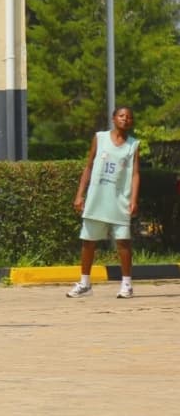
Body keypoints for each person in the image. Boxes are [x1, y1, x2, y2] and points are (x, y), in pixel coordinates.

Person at [66, 106, 140, 299]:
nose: (125, 119)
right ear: (113, 118)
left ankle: (127, 284)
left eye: (129, 117)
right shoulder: (100, 138)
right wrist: (80, 194)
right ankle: (85, 283)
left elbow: (135, 174)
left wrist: (133, 199)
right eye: (121, 116)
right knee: (88, 242)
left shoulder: (133, 145)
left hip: (119, 201)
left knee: (123, 242)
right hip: (97, 198)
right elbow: (89, 166)